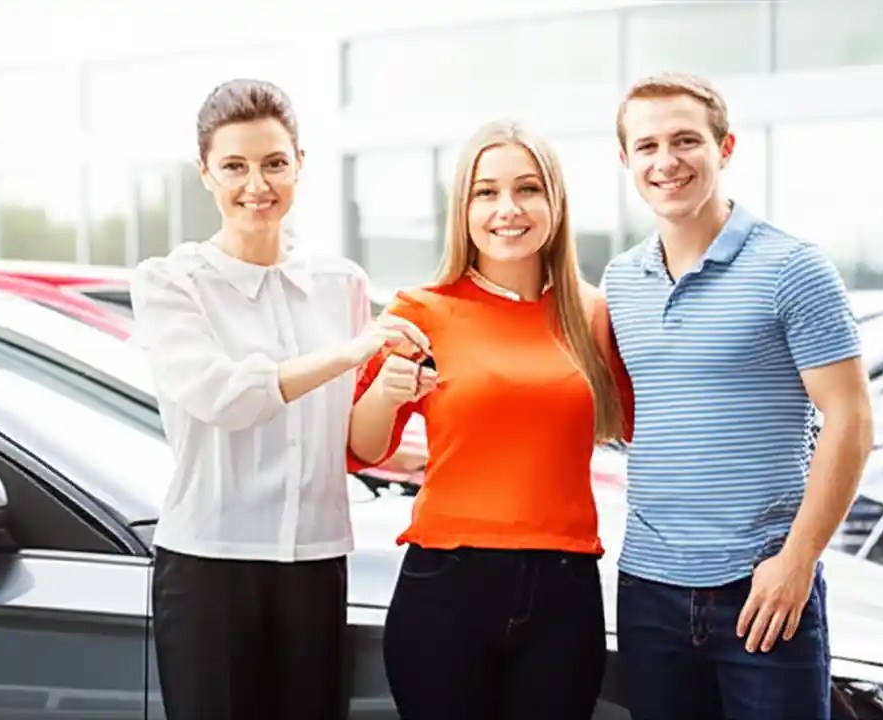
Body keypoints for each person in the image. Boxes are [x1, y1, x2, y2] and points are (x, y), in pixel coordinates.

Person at [130, 78, 427, 720]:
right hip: (211, 563)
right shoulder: (171, 283)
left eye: (273, 163)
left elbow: (349, 437)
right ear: (205, 172)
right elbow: (224, 396)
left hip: (317, 559)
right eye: (234, 166)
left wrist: (395, 397)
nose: (256, 185)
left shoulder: (341, 283)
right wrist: (349, 354)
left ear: (299, 164)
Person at [602, 72, 875, 719]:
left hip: (764, 587)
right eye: (647, 146)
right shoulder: (620, 281)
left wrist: (798, 561)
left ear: (724, 148)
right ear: (626, 160)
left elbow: (851, 418)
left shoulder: (793, 268)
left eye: (685, 140)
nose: (666, 162)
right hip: (648, 589)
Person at [348, 119, 632, 720]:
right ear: (464, 208)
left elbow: (648, 428)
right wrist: (386, 396)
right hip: (445, 591)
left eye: (528, 189)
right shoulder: (420, 310)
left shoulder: (594, 315)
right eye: (486, 192)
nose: (508, 208)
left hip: (565, 591)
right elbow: (364, 448)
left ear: (555, 202)